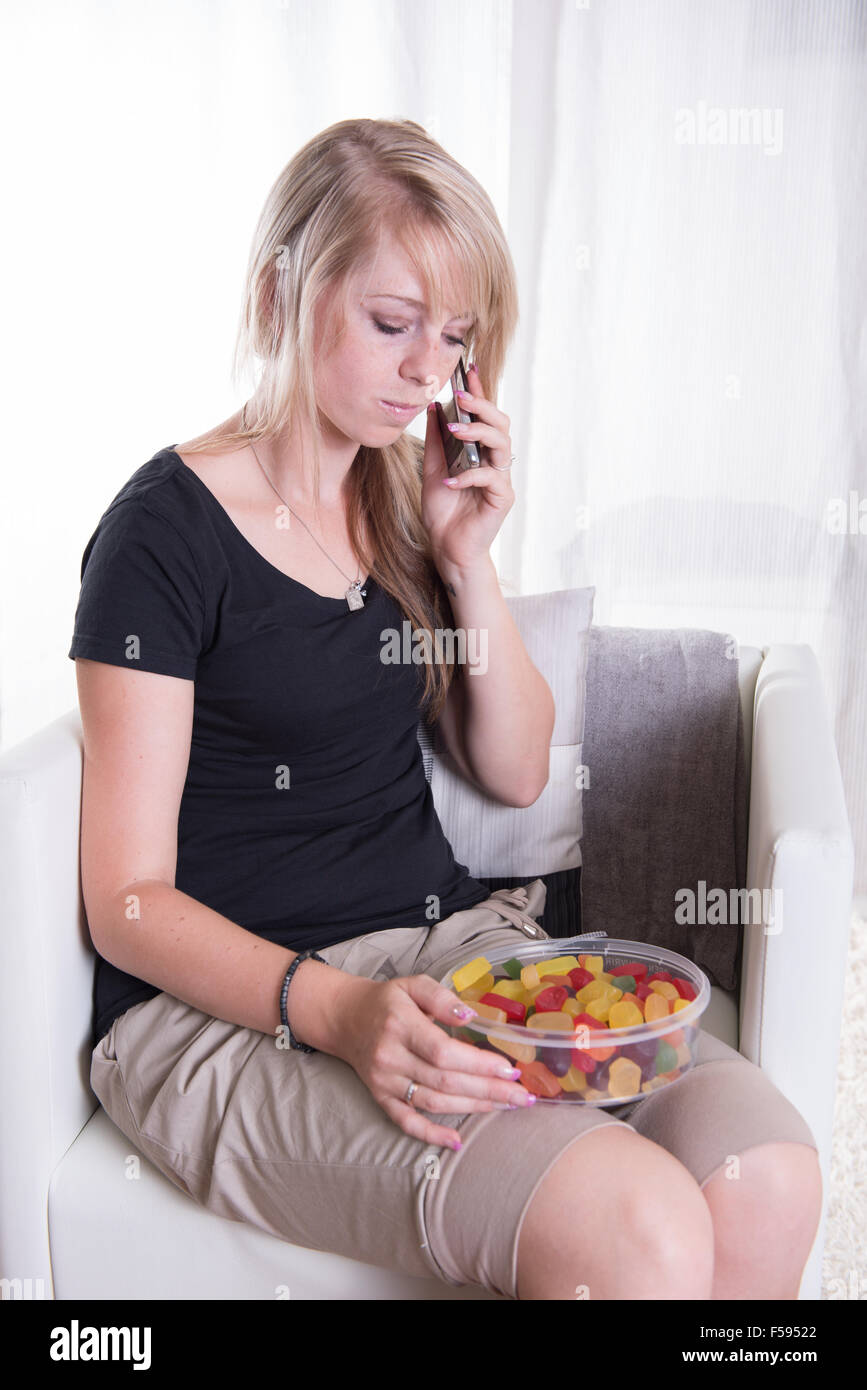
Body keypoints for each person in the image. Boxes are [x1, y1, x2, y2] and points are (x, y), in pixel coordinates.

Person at [70, 117, 822, 1301]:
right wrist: (340, 1010)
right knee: (640, 1232)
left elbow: (517, 770)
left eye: (455, 338)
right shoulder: (159, 537)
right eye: (391, 323)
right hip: (228, 1013)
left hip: (443, 954)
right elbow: (125, 904)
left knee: (765, 1176)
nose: (429, 372)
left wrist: (469, 554)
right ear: (281, 291)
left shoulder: (402, 503)